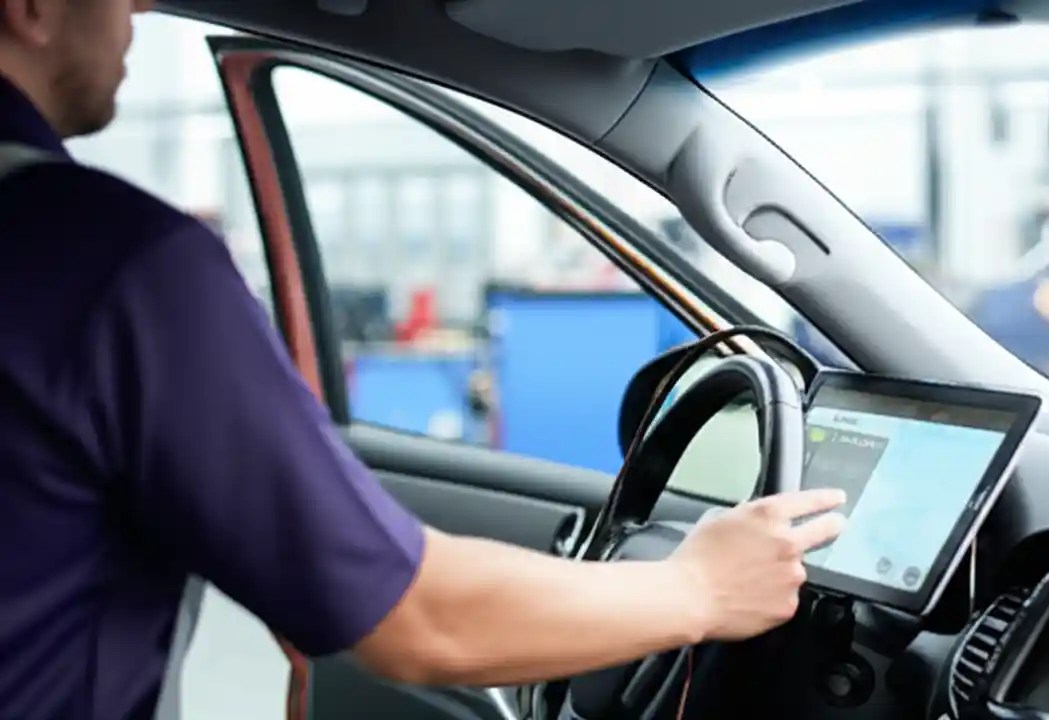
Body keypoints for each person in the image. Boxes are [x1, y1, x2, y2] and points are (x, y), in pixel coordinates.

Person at [0, 2, 849, 718]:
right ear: (31, 6)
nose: (141, 5)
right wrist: (696, 589)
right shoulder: (107, 260)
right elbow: (417, 620)